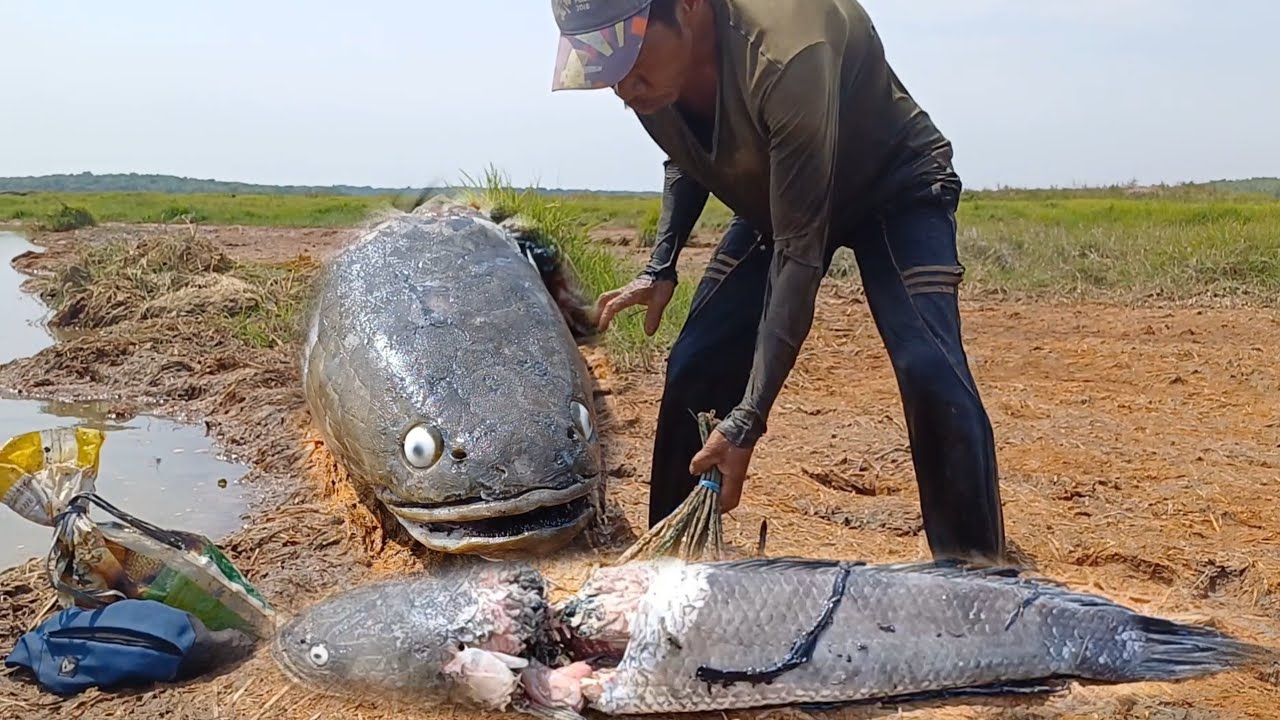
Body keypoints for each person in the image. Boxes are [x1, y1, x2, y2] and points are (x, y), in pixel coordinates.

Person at [548, 0, 1006, 563]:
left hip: (892, 184)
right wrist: (660, 264)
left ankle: (979, 580)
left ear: (688, 7)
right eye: (604, 65)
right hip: (778, 187)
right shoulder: (648, 78)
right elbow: (686, 153)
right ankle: (668, 570)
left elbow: (799, 253)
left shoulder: (788, 52)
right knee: (695, 362)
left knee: (929, 368)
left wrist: (747, 421)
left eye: (630, 55)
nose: (622, 86)